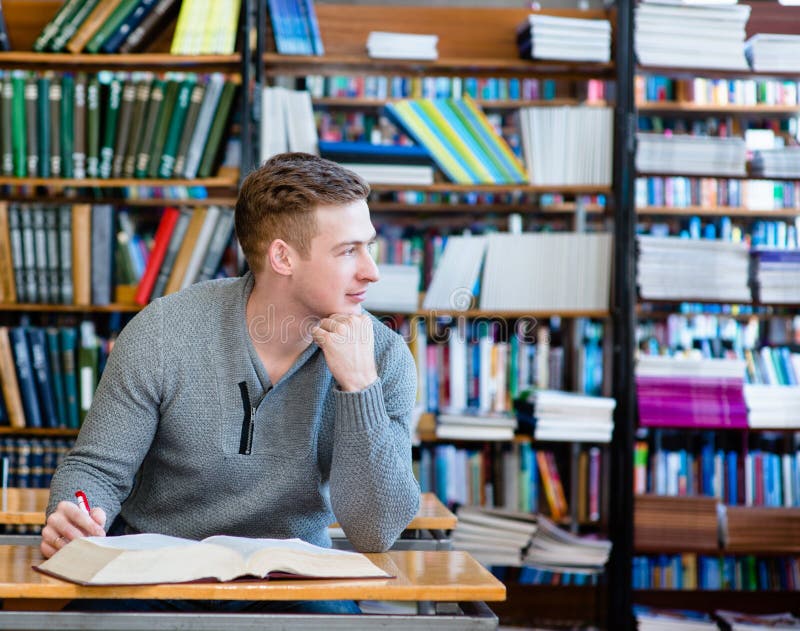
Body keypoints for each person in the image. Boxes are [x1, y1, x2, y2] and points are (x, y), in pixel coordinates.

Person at [41, 152, 421, 612]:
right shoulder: (162, 330)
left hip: (294, 585)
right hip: (155, 577)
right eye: (348, 251)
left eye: (369, 246)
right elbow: (95, 471)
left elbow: (375, 531)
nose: (372, 270)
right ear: (282, 257)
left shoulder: (383, 356)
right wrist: (76, 515)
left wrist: (359, 386)